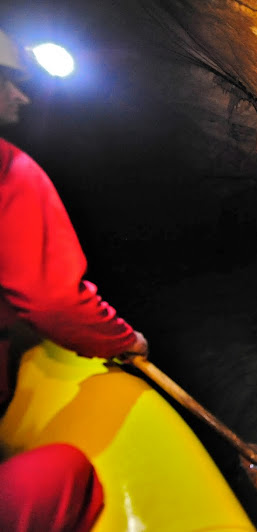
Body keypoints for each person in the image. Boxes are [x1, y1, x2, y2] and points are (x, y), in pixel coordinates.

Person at [0, 28, 149, 531]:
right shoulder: (9, 170)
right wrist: (126, 340)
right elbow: (53, 298)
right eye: (6, 82)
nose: (21, 95)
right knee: (71, 474)